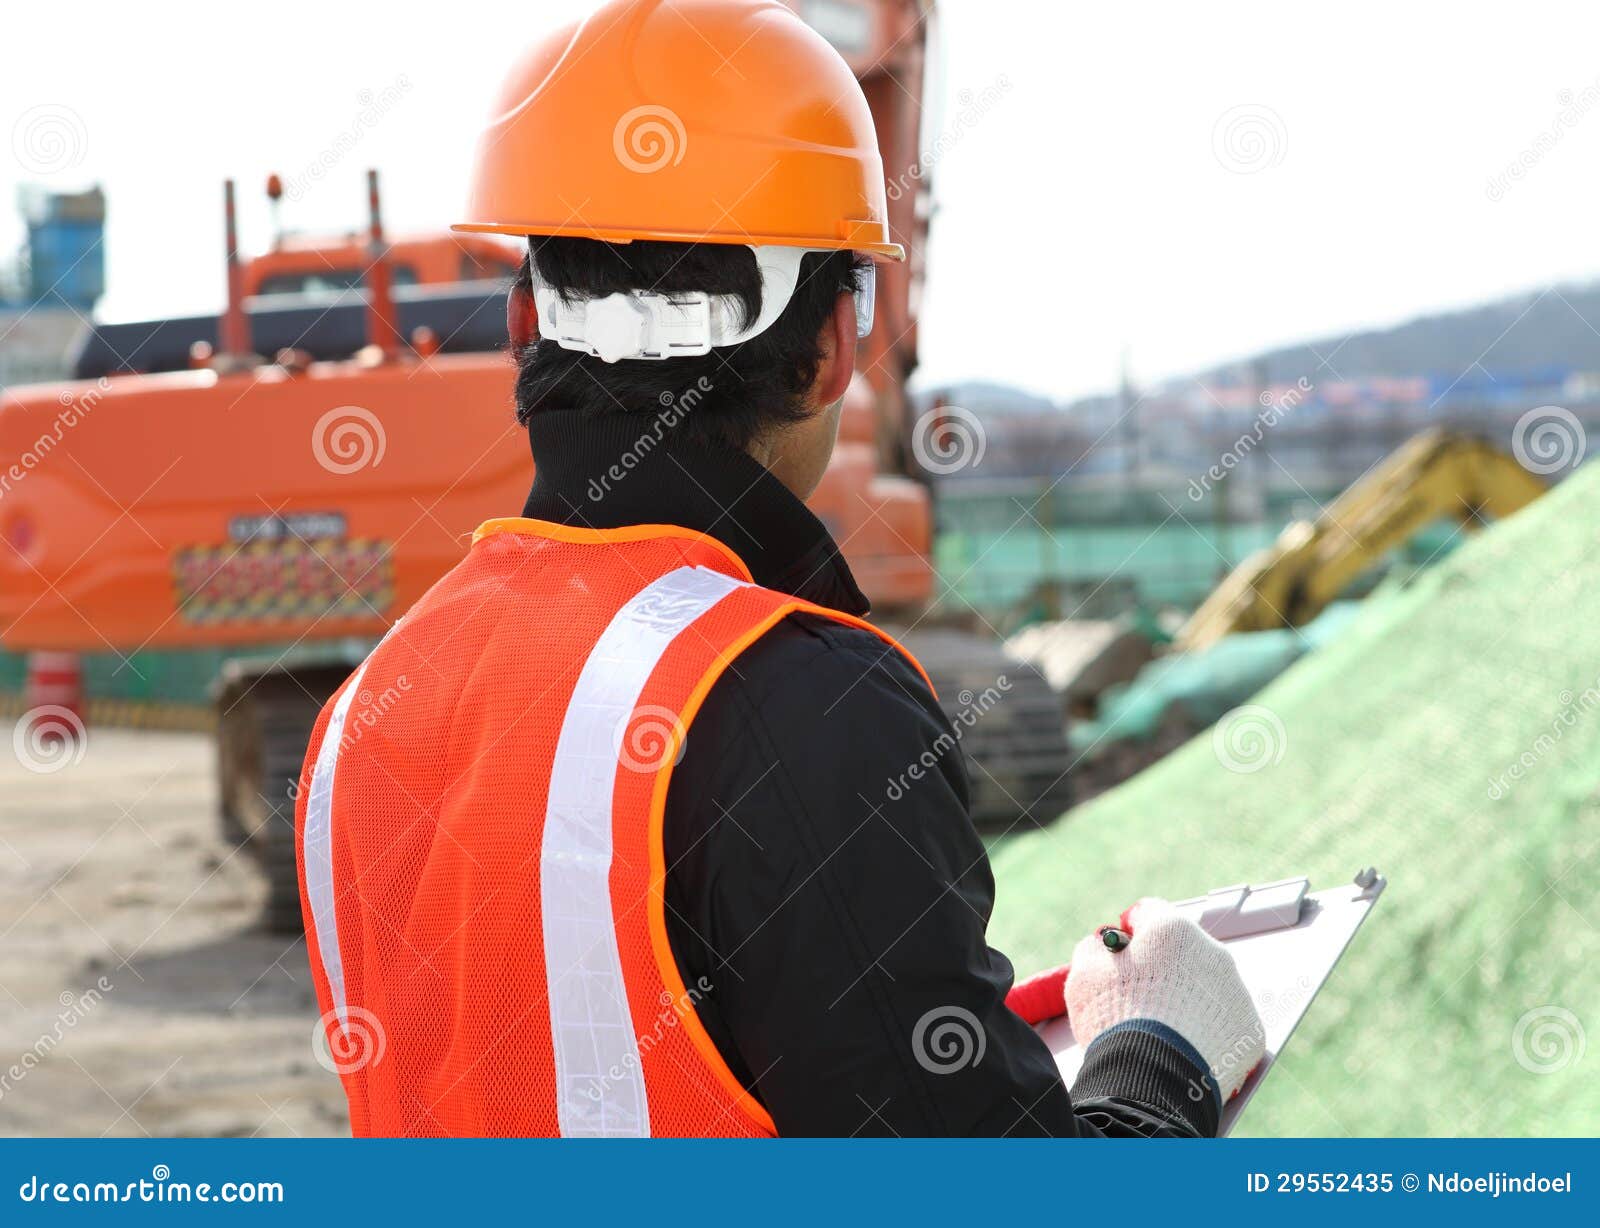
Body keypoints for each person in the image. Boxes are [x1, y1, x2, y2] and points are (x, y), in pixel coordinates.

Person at [296, 0, 1263, 1137]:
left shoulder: (367, 707)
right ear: (831, 349)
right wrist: (1159, 1049)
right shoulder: (797, 703)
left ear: (525, 321)